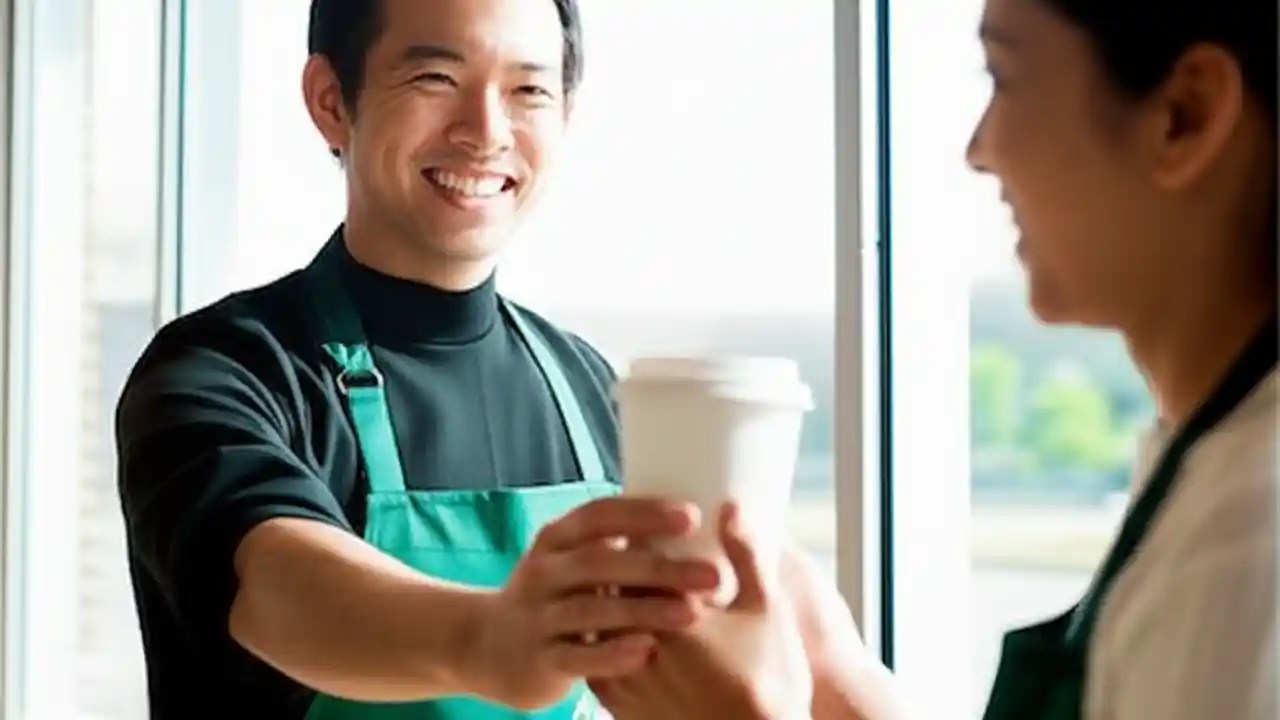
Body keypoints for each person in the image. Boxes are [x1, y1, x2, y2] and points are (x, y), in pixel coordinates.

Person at [591, 0, 1279, 718]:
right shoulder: (1214, 472)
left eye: (1004, 77)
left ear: (1184, 116)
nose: (979, 150)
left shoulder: (1243, 543)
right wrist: (839, 683)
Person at [115, 1, 724, 718]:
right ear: (331, 100)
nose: (486, 132)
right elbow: (276, 583)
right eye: (436, 78)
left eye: (528, 90)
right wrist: (488, 641)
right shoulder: (221, 372)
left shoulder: (590, 386)